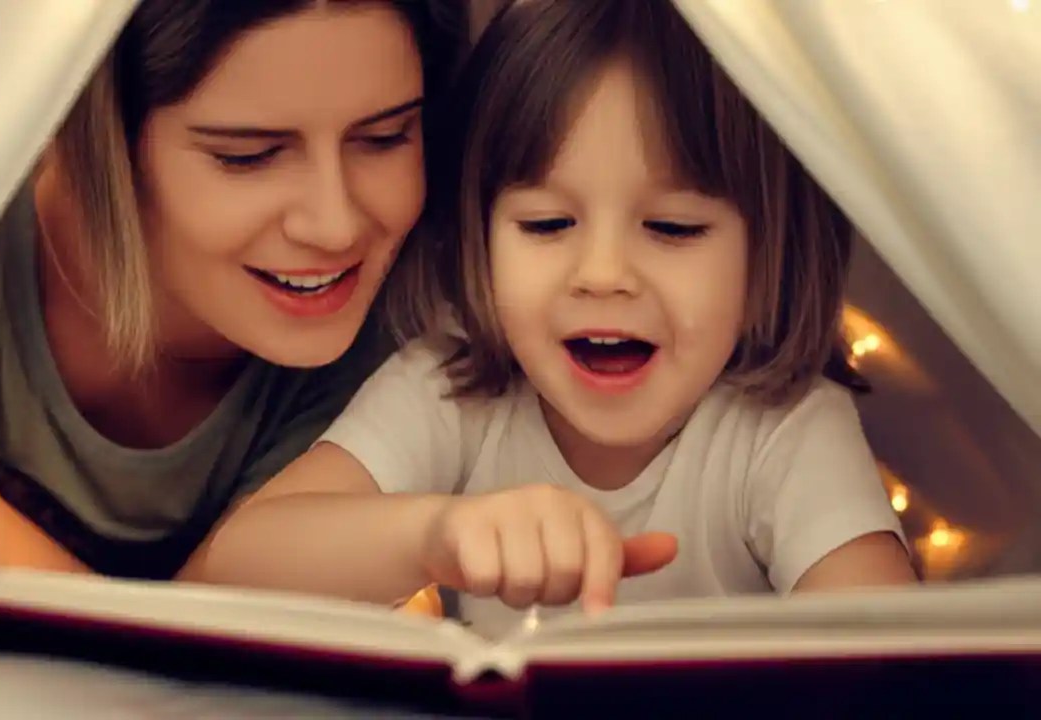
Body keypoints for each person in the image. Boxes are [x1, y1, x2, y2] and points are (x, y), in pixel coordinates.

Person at [187, 0, 917, 639]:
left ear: (771, 256)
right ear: (479, 239)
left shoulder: (786, 430)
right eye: (546, 224)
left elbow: (893, 659)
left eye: (672, 228)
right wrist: (435, 535)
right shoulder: (450, 390)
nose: (601, 274)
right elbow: (219, 580)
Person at [0, 0, 468, 581]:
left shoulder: (406, 340)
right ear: (95, 139)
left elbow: (239, 638)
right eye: (247, 157)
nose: (336, 224)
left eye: (384, 138)